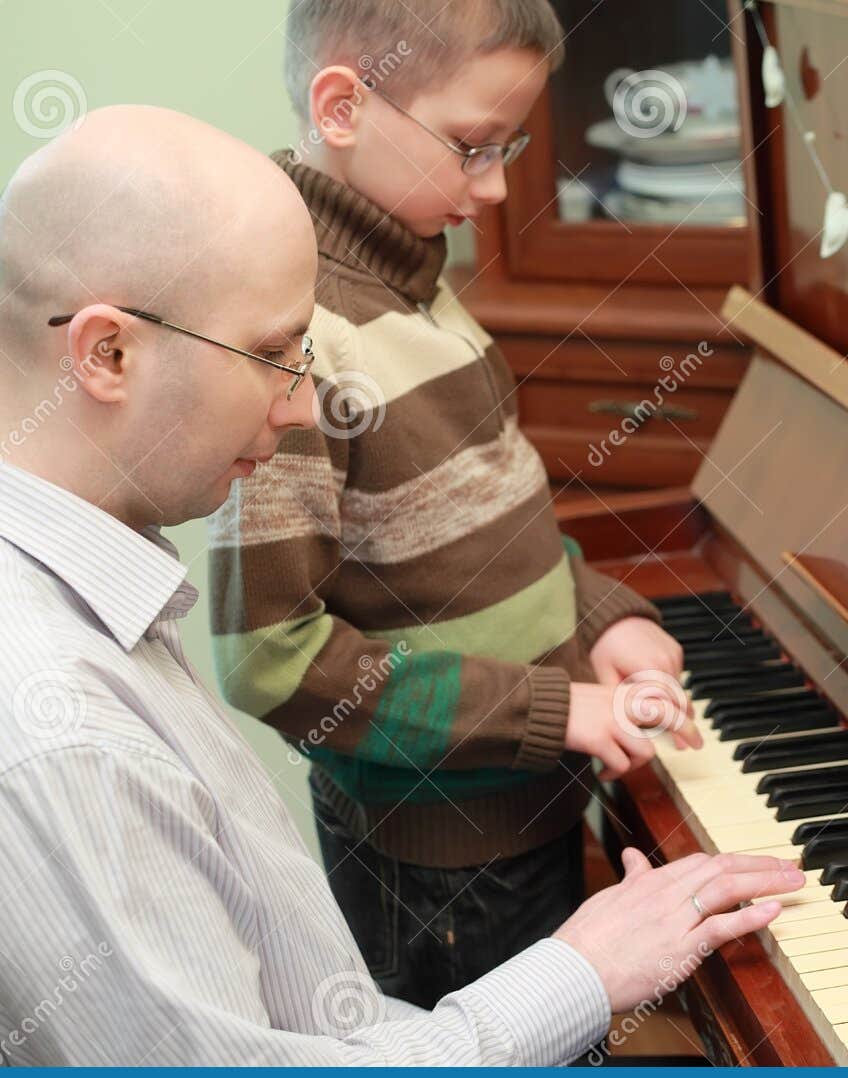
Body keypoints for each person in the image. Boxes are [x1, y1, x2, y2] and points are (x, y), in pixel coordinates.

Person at [0, 104, 801, 1065]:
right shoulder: (63, 737)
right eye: (272, 355)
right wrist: (583, 972)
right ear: (107, 354)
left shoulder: (98, 575)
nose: (304, 407)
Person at [207, 0, 699, 1008]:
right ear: (341, 106)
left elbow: (479, 529)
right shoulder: (298, 336)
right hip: (445, 868)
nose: (499, 184)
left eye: (509, 145)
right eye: (473, 147)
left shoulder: (414, 278)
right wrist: (557, 707)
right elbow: (272, 660)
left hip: (523, 804)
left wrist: (598, 621)